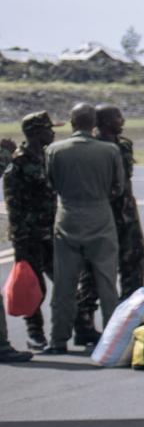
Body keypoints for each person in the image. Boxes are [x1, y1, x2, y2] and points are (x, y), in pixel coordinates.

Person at [44, 103, 124, 353]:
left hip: (68, 215)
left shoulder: (55, 150)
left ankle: (58, 340)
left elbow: (51, 183)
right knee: (107, 283)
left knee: (64, 284)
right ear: (94, 123)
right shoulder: (110, 150)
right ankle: (113, 341)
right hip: (100, 216)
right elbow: (118, 187)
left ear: (72, 122)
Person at [75, 103, 144, 319]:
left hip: (127, 219)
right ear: (105, 121)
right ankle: (85, 322)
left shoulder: (124, 145)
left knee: (134, 267)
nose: (122, 121)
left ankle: (128, 319)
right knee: (94, 271)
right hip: (102, 218)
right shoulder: (90, 147)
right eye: (118, 117)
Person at [2, 109, 58, 353]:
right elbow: (13, 204)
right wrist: (21, 241)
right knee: (33, 285)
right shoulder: (18, 161)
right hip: (29, 236)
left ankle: (72, 326)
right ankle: (35, 333)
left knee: (65, 279)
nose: (52, 133)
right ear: (36, 132)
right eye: (48, 128)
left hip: (51, 232)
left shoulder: (47, 156)